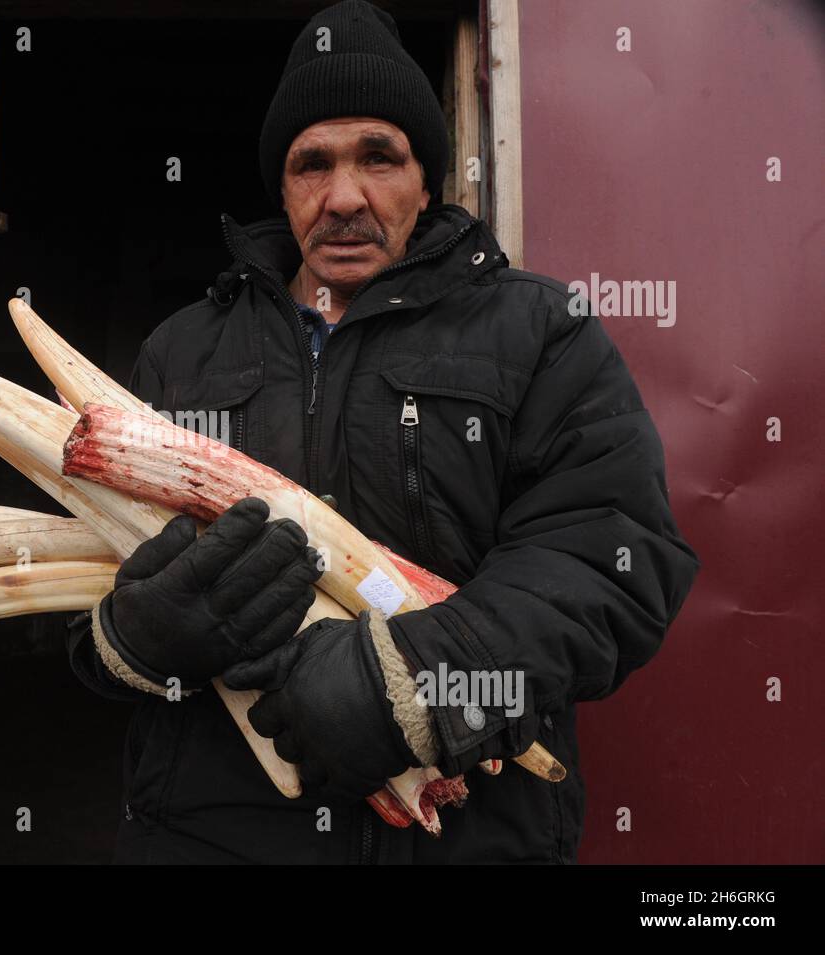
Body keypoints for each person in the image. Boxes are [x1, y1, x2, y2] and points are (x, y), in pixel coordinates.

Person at [65, 0, 699, 864]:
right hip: (214, 838)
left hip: (466, 837)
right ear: (280, 187)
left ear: (426, 179)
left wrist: (415, 687)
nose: (344, 197)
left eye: (379, 157)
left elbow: (613, 559)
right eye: (311, 164)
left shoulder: (541, 331)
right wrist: (136, 638)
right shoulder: (181, 354)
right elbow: (74, 602)